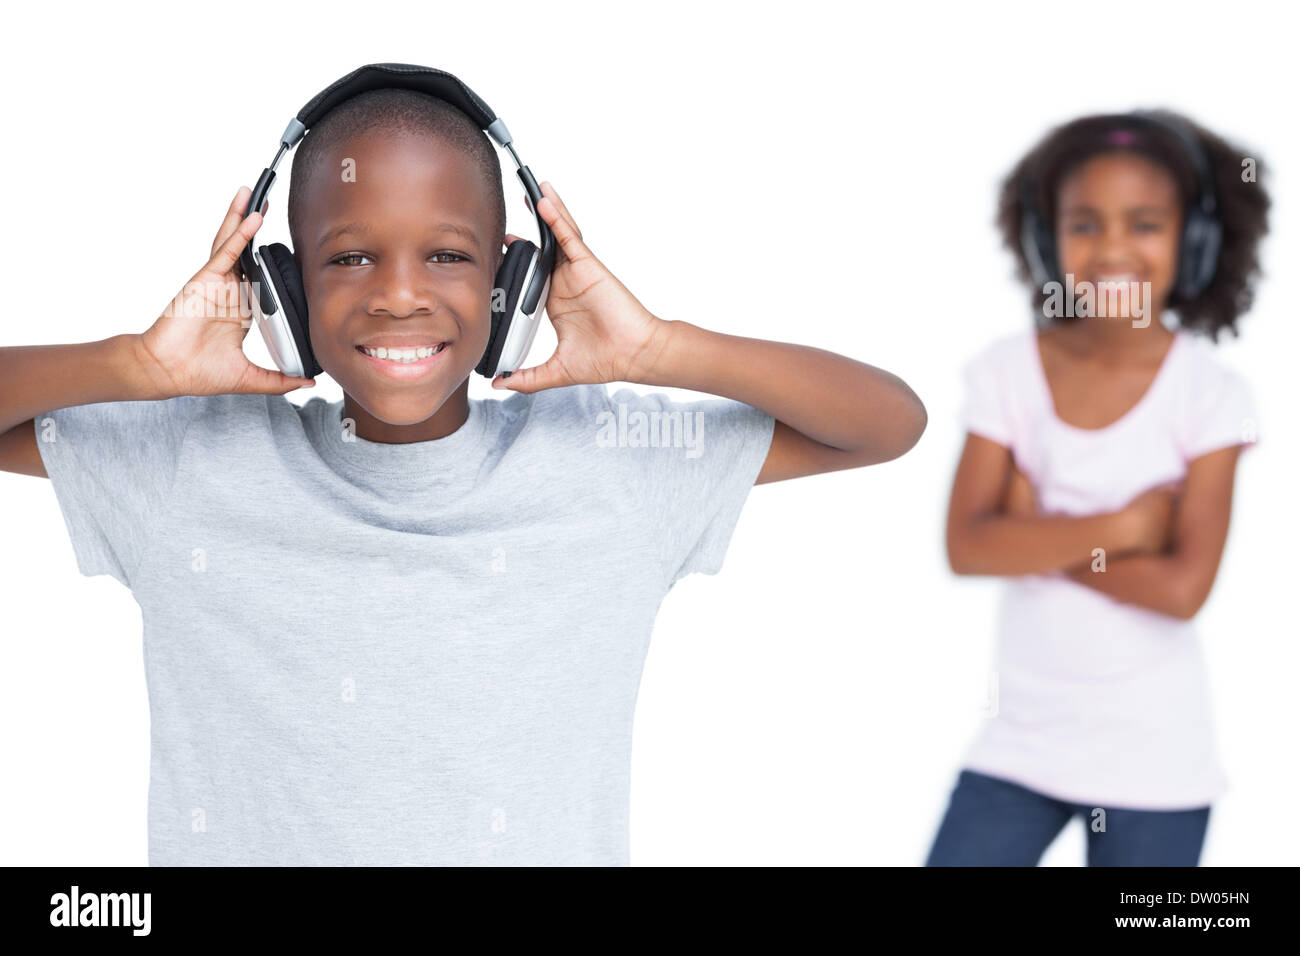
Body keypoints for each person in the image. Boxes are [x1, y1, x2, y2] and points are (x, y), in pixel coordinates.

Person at [0, 82, 926, 866]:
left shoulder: (606, 459)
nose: (399, 293)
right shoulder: (188, 463)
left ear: (514, 286)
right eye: (349, 256)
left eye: (446, 255)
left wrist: (657, 349)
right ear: (277, 292)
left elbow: (887, 424)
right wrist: (135, 365)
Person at [926, 110, 1270, 866]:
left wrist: (1032, 532)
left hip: (1155, 765)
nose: (1113, 248)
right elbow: (968, 547)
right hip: (1017, 750)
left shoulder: (1212, 397)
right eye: (1085, 225)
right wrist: (1123, 527)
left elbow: (1183, 589)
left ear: (1197, 239)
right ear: (1049, 241)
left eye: (1144, 223)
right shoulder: (1006, 372)